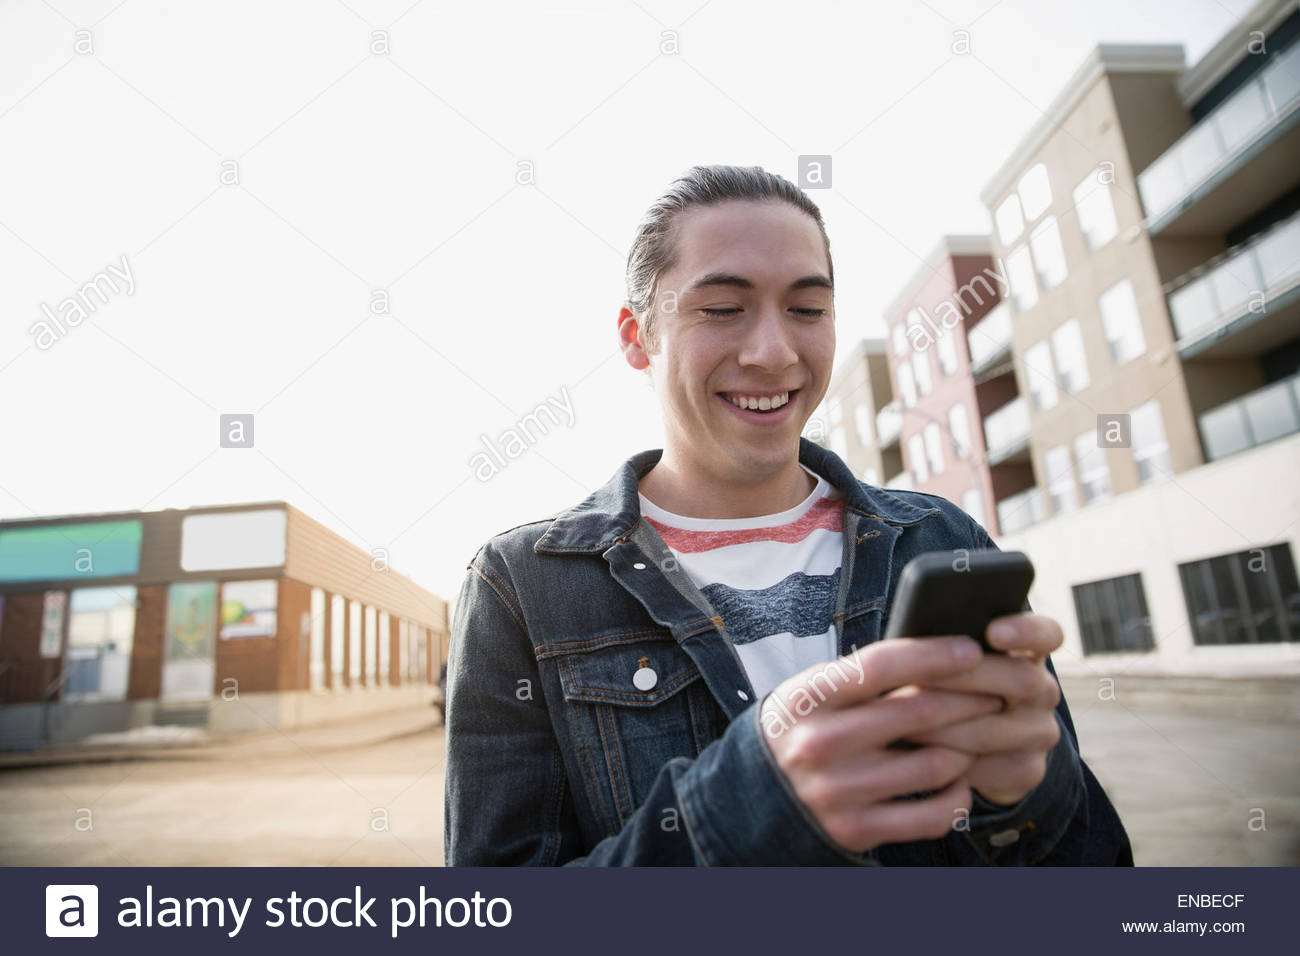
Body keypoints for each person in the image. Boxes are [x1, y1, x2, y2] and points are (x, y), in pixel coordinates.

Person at [444, 164, 1132, 866]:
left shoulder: (943, 541)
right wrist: (748, 807)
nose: (773, 353)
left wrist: (1020, 804)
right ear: (636, 336)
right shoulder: (523, 587)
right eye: (720, 309)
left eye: (807, 310)